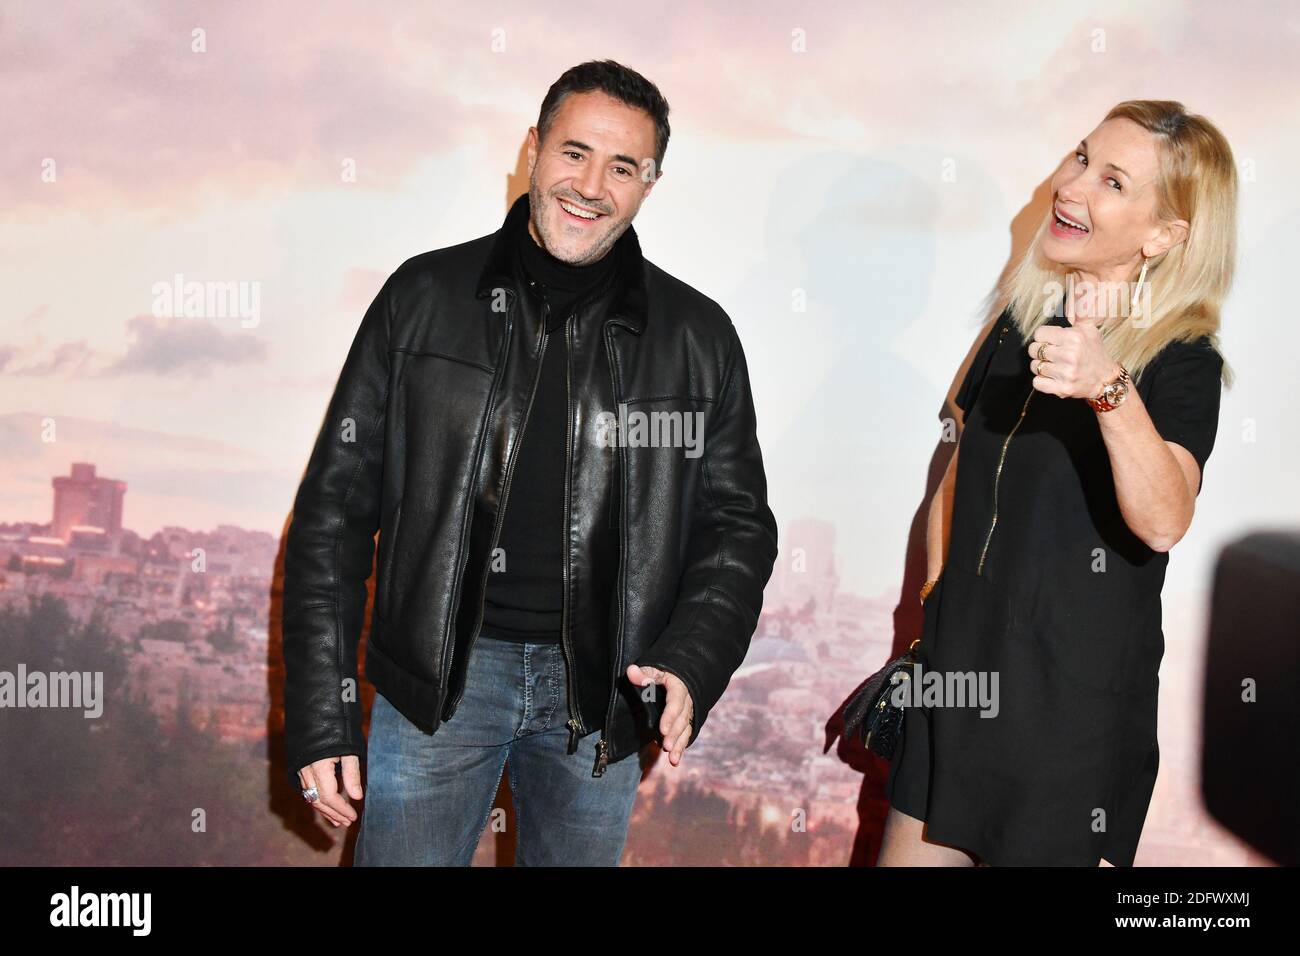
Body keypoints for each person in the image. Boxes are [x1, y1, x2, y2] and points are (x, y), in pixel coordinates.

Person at [281, 59, 778, 866]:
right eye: (573, 152)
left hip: (604, 694)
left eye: (623, 166)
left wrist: (692, 659)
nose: (591, 184)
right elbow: (334, 514)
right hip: (437, 687)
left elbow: (738, 530)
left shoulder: (698, 339)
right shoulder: (422, 298)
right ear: (532, 150)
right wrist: (321, 712)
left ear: (650, 183)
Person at [878, 100, 1237, 867]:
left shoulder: (1183, 361)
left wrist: (1108, 384)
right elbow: (955, 469)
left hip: (1070, 724)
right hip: (956, 688)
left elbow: (1165, 519)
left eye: (1112, 181)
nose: (1070, 187)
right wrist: (939, 606)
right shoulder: (1018, 319)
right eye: (1080, 159)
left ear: (1163, 235)